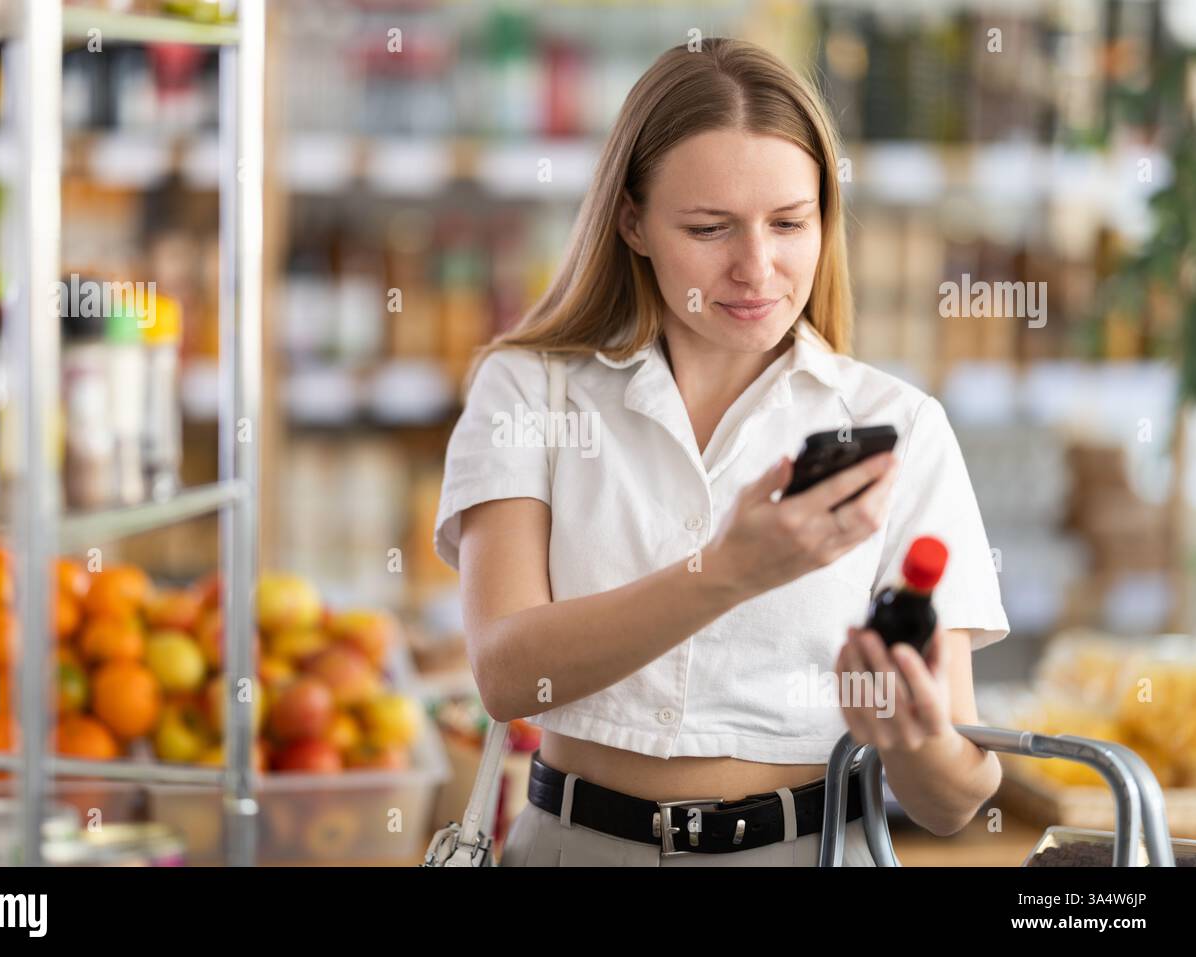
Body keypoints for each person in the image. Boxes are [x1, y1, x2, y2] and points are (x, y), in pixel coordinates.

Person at [433, 37, 1010, 867]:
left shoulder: (900, 426)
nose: (756, 267)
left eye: (789, 223)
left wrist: (914, 740)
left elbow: (954, 802)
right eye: (709, 228)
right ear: (631, 221)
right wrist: (731, 570)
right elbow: (507, 673)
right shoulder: (531, 389)